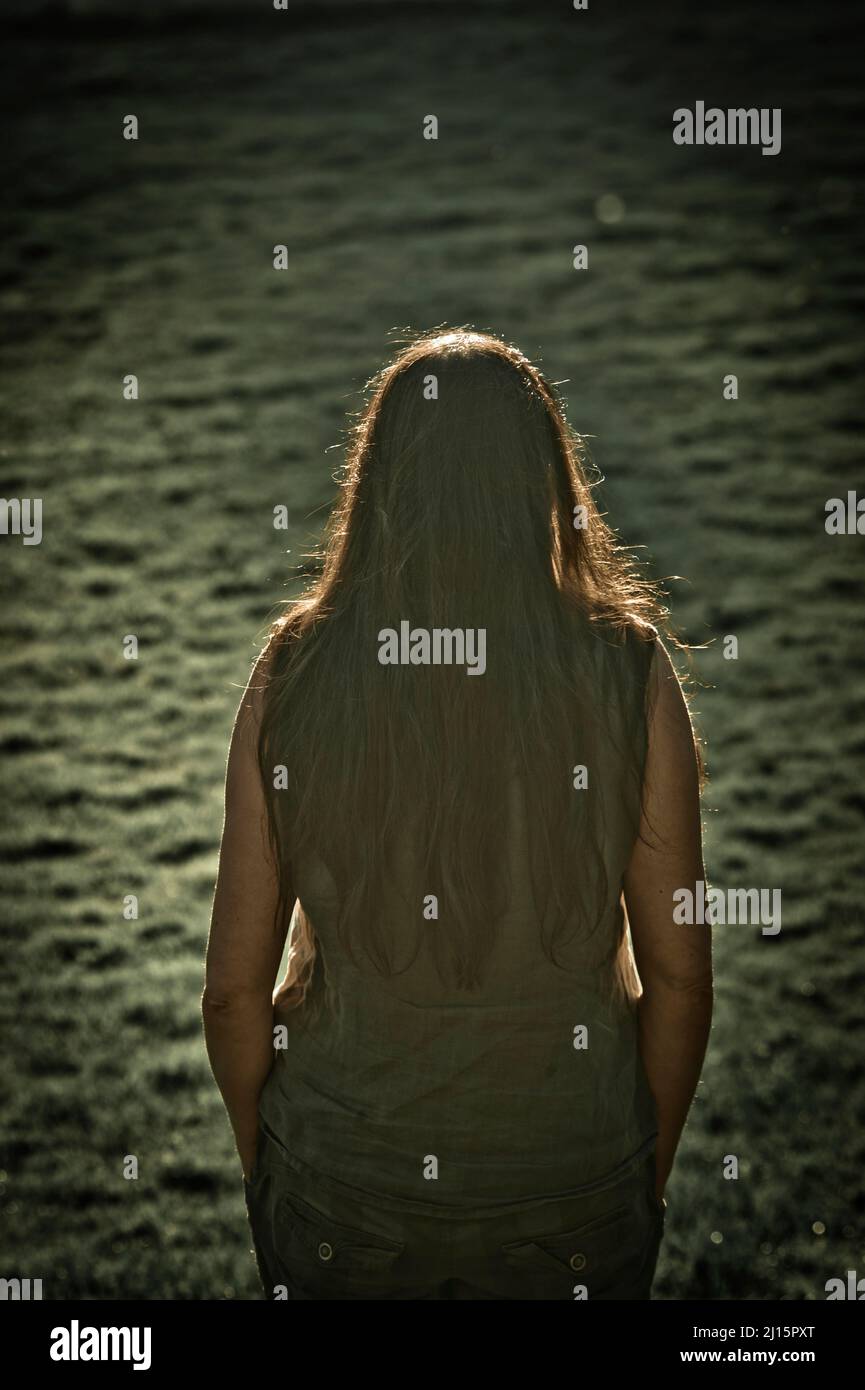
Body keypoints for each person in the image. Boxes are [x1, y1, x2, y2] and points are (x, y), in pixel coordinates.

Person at [202, 327, 713, 1300]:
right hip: (570, 1190)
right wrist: (637, 1176)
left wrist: (267, 1162)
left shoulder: (298, 670)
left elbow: (232, 993)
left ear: (381, 486)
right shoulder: (627, 671)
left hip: (344, 1191)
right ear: (542, 487)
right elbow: (682, 979)